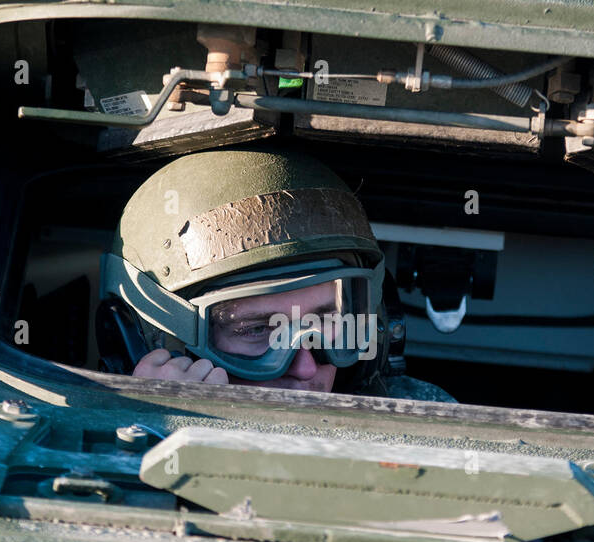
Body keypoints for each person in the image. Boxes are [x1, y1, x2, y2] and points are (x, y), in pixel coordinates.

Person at [101, 147, 454, 402]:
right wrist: (151, 423)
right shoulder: (85, 452)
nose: (303, 368)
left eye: (326, 322)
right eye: (256, 329)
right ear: (154, 343)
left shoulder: (429, 428)